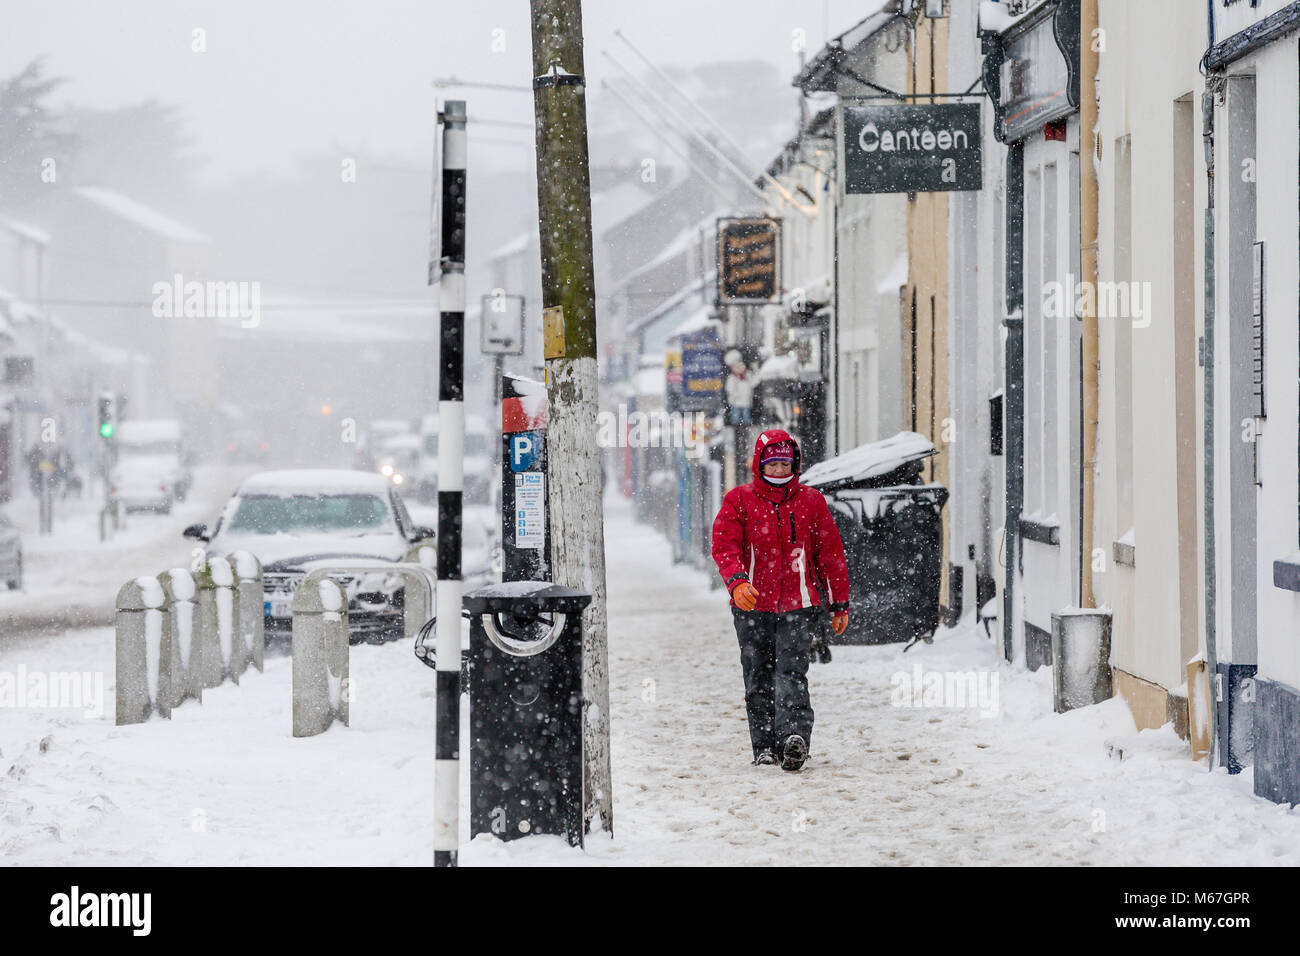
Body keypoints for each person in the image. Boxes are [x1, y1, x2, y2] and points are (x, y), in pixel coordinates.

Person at [711, 428, 850, 771]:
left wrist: (838, 603)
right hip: (752, 607)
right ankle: (764, 746)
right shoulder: (738, 501)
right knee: (757, 674)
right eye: (772, 464)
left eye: (784, 463)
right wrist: (737, 582)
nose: (778, 470)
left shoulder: (811, 502)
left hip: (798, 605)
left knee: (791, 672)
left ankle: (794, 739)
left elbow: (829, 555)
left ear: (795, 463)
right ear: (760, 465)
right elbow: (725, 546)